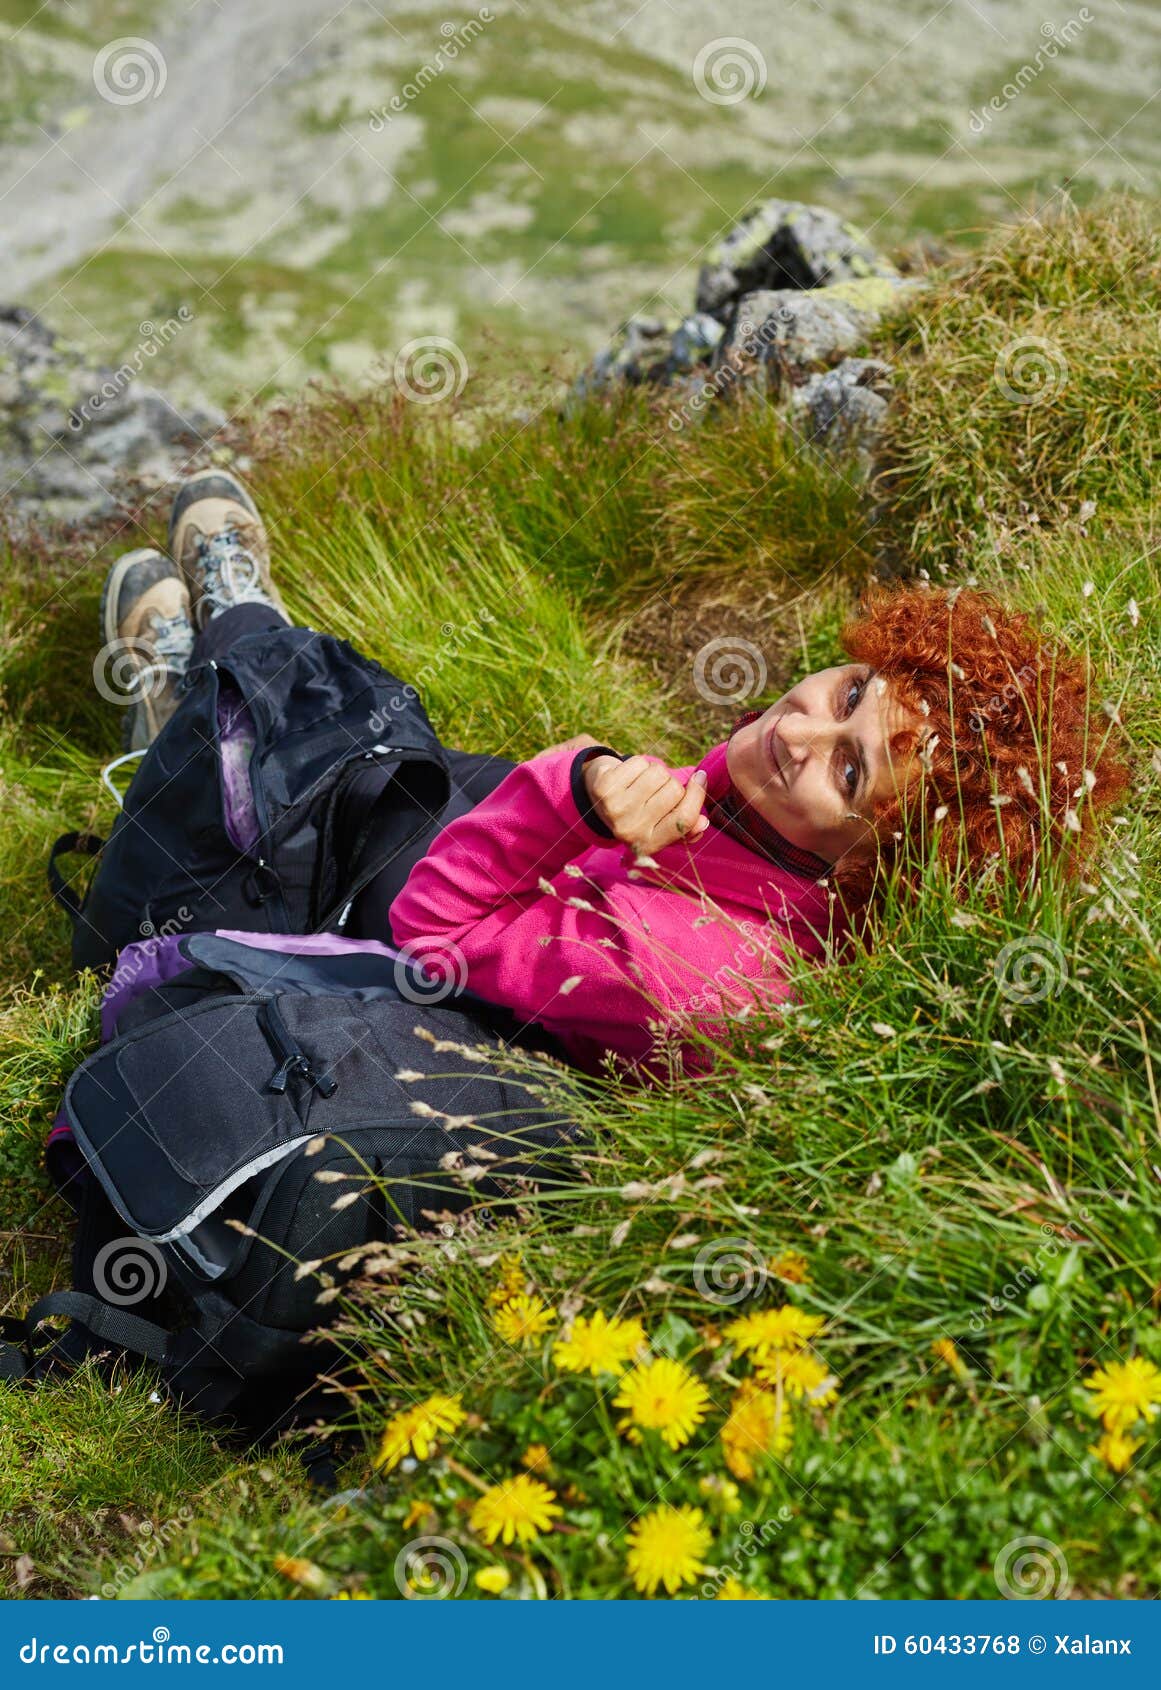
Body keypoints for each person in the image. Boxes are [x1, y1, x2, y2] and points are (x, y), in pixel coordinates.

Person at [103, 472, 1128, 1078]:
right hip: (529, 909)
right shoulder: (778, 843)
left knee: (330, 744)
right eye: (852, 689)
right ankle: (213, 678)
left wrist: (573, 789)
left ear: (876, 854)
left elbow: (431, 937)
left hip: (420, 934)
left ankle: (219, 653)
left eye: (850, 773)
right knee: (374, 731)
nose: (805, 730)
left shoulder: (687, 971)